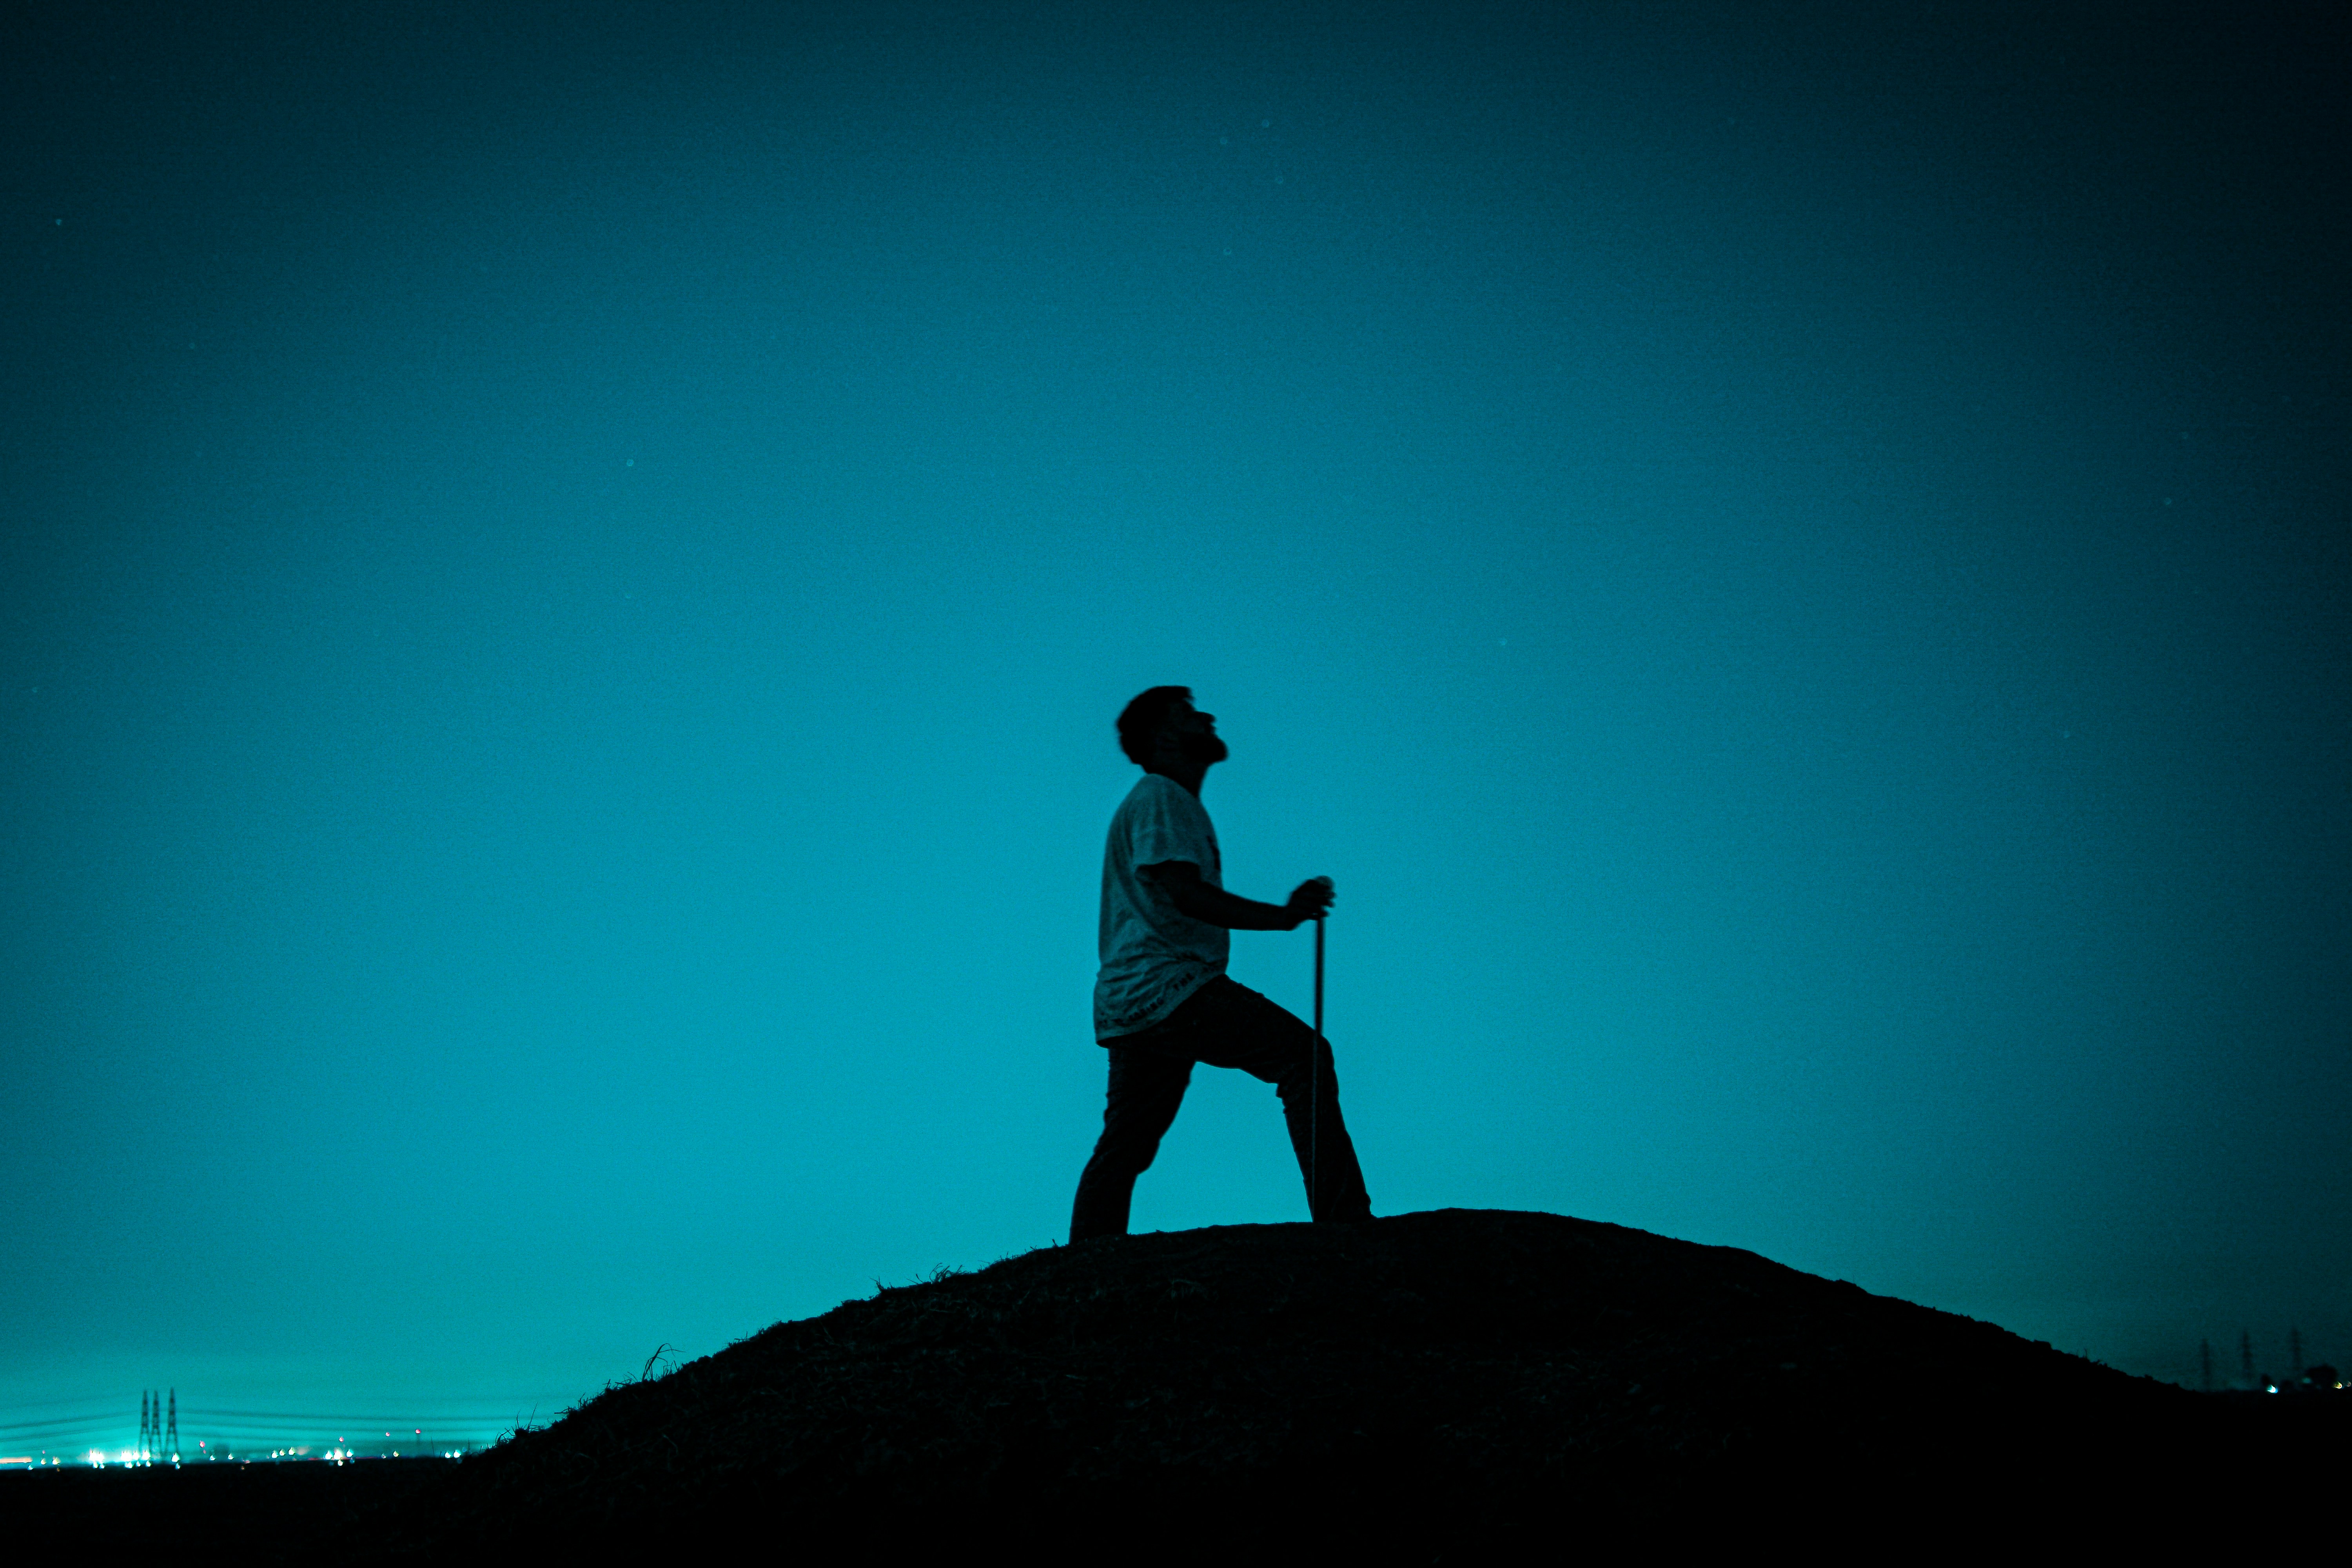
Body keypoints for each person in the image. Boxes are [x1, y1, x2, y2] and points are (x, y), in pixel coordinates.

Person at [1069, 686, 1374, 1242]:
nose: (1207, 717)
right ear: (1164, 738)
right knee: (1303, 1057)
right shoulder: (1163, 796)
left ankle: (1085, 1260)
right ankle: (1345, 1222)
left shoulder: (1162, 801)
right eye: (1188, 714)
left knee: (1126, 1145)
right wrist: (1284, 917)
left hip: (1132, 1002)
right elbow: (1185, 894)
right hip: (1173, 986)